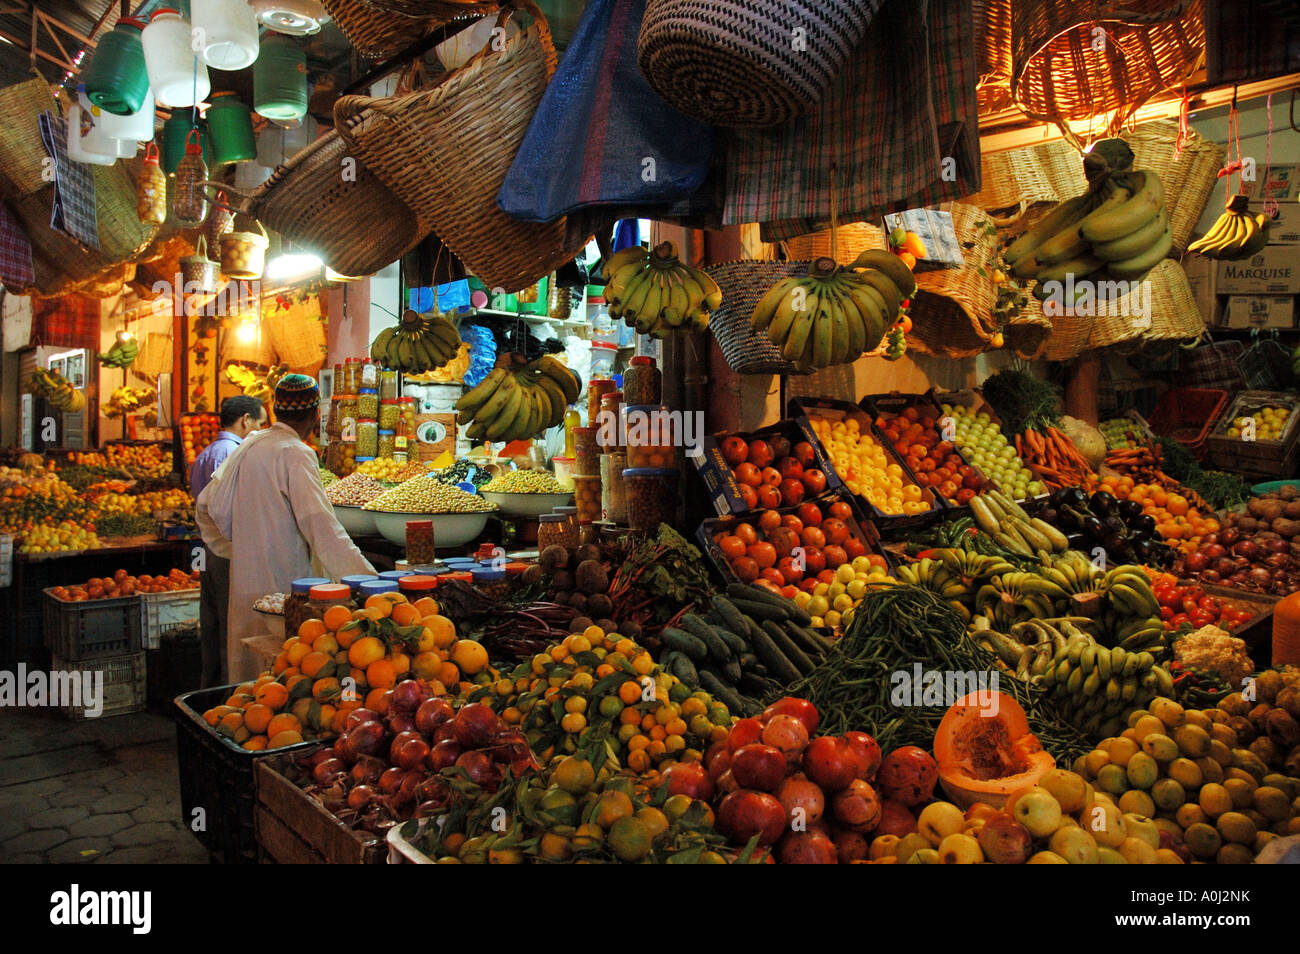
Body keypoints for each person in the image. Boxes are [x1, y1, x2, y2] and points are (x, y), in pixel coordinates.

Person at [196, 374, 375, 683]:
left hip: (246, 576)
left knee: (251, 675)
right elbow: (321, 526)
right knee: (287, 667)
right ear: (315, 415)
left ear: (276, 410)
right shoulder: (296, 453)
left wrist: (236, 548)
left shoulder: (251, 445)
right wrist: (370, 583)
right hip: (286, 582)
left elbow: (206, 505)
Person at [191, 395, 267, 688]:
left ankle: (207, 691)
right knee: (229, 629)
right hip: (226, 552)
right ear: (245, 420)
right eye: (259, 424)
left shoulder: (206, 453)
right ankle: (225, 698)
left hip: (208, 548)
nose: (259, 431)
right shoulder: (234, 455)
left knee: (210, 625)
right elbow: (226, 511)